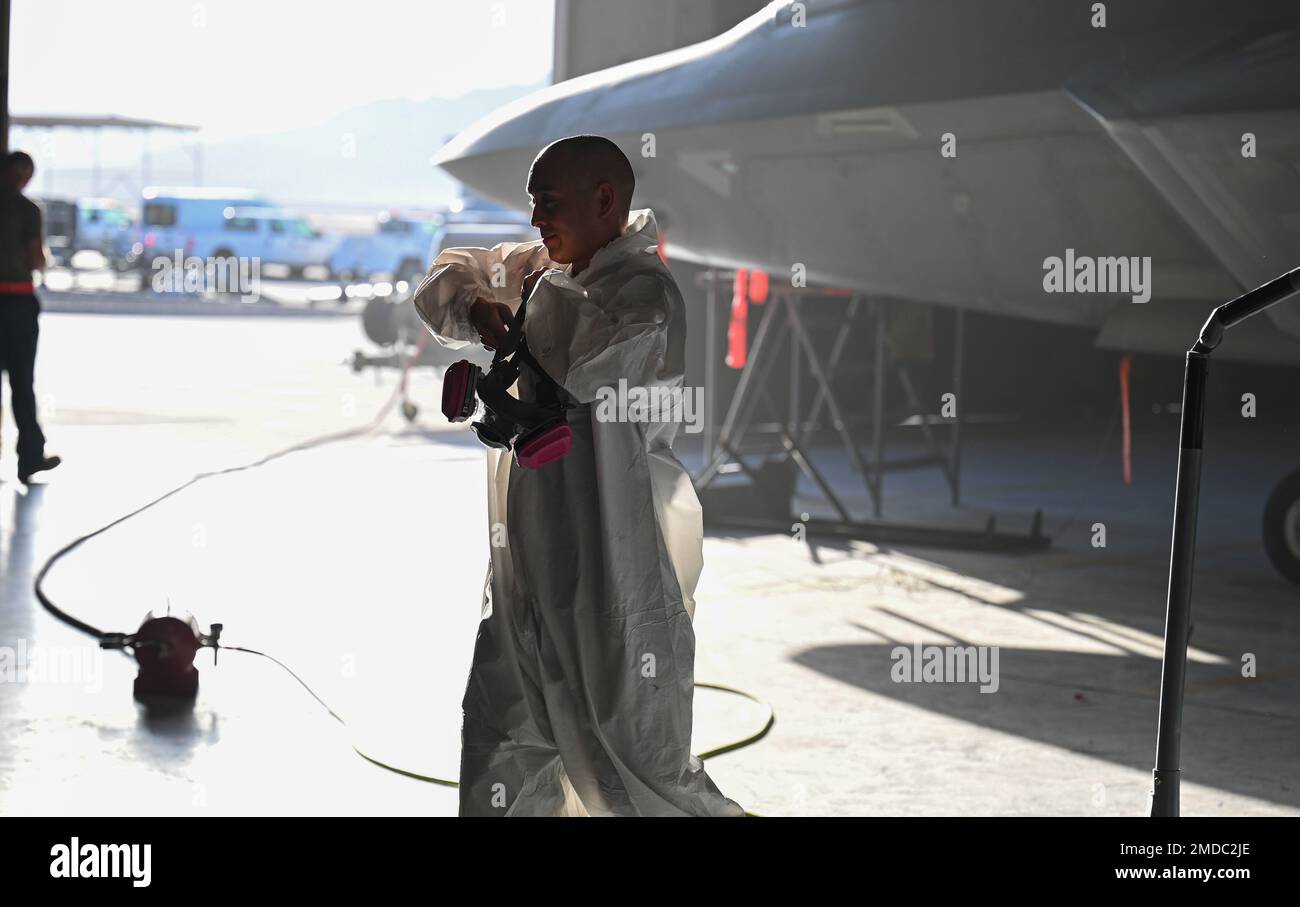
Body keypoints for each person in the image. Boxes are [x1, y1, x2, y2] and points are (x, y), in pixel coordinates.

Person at [413, 135, 744, 816]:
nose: (537, 223)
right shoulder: (545, 269)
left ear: (605, 200)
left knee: (633, 767)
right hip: (526, 560)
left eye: (550, 205)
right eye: (533, 207)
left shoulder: (643, 295)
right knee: (503, 746)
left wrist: (515, 326)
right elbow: (445, 277)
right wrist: (481, 308)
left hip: (611, 565)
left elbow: (583, 365)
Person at [0, 151, 60, 484]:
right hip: (17, 300)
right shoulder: (27, 210)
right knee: (22, 383)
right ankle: (30, 457)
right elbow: (37, 259)